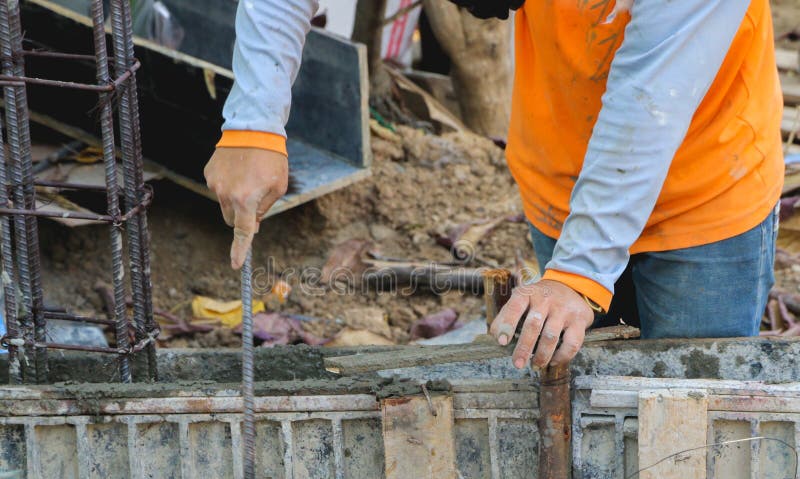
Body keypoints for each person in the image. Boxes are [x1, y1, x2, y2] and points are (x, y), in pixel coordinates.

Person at [204, 0, 783, 370]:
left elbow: (649, 98)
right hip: (564, 180)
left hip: (708, 193)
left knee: (692, 425)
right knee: (588, 419)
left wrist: (577, 275)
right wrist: (254, 123)